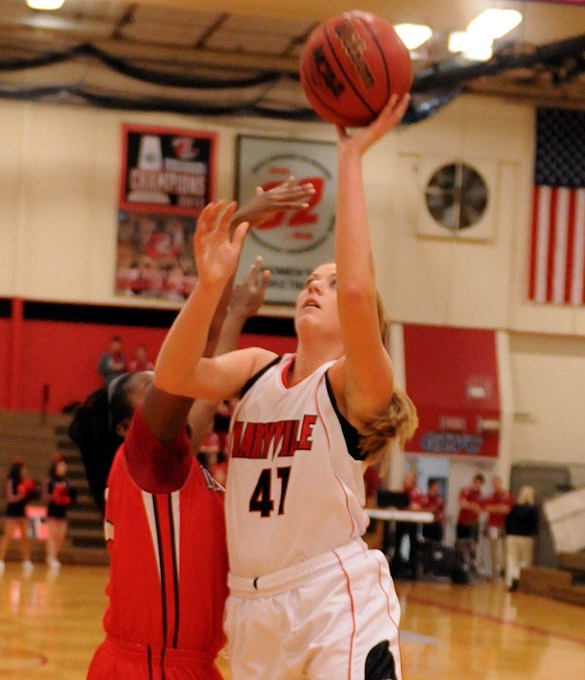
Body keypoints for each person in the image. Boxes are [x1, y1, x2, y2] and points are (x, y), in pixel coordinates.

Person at [153, 94, 418, 680]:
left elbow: (356, 288)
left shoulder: (355, 386)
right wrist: (208, 285)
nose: (317, 286)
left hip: (332, 598)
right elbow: (174, 376)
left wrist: (349, 158)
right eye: (311, 280)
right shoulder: (256, 368)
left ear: (363, 327)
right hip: (251, 607)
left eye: (330, 280)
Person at [75, 181, 312, 680]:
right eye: (149, 385)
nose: (163, 383)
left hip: (181, 666)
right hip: (151, 668)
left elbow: (206, 380)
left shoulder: (171, 467)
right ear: (126, 426)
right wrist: (238, 224)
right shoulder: (143, 457)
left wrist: (238, 315)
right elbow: (190, 359)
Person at [0, 458, 38, 576]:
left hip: (22, 512)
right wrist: (21, 494)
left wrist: (31, 491)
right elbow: (10, 498)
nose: (25, 471)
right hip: (12, 513)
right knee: (7, 536)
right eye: (23, 469)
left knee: (25, 537)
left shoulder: (25, 481)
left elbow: (30, 496)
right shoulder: (10, 481)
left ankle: (27, 561)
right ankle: (0, 560)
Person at [391, 469, 427, 579]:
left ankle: (412, 571)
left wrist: (413, 506)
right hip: (401, 521)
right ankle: (396, 569)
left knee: (413, 545)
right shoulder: (401, 490)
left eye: (410, 478)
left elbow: (419, 506)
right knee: (397, 543)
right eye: (406, 477)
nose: (407, 479)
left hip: (412, 522)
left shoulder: (417, 492)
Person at [44, 453, 77, 572]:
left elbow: (71, 496)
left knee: (60, 537)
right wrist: (53, 496)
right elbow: (44, 495)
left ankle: (53, 556)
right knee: (52, 535)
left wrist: (68, 499)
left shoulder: (67, 481)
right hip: (52, 511)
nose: (63, 469)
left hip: (62, 512)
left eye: (64, 467)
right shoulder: (50, 480)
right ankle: (52, 557)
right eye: (61, 467)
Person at [503, 486, 539, 591]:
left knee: (511, 560)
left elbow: (507, 521)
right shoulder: (533, 509)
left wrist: (509, 532)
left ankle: (510, 582)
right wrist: (534, 533)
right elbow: (534, 524)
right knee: (525, 560)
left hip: (512, 536)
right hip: (526, 537)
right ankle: (521, 580)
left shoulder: (514, 507)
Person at [483, 475, 514, 580]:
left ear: (500, 483)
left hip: (504, 525)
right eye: (493, 485)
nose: (495, 486)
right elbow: (487, 508)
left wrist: (494, 508)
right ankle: (494, 572)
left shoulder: (507, 495)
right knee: (494, 550)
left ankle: (505, 571)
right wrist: (499, 508)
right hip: (493, 525)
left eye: (496, 484)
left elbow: (507, 510)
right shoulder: (491, 496)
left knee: (505, 549)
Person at [455, 473, 486, 573]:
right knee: (461, 544)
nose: (477, 485)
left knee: (472, 546)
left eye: (479, 483)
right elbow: (462, 504)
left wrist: (472, 506)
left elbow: (481, 509)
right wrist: (473, 506)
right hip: (462, 522)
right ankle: (461, 566)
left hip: (474, 523)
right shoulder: (465, 491)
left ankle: (472, 566)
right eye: (476, 482)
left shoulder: (481, 495)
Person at [421, 478, 446, 543]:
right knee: (427, 543)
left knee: (437, 545)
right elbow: (422, 510)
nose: (438, 489)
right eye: (436, 487)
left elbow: (442, 511)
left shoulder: (440, 499)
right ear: (431, 487)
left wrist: (441, 516)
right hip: (428, 525)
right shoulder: (425, 498)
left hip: (437, 525)